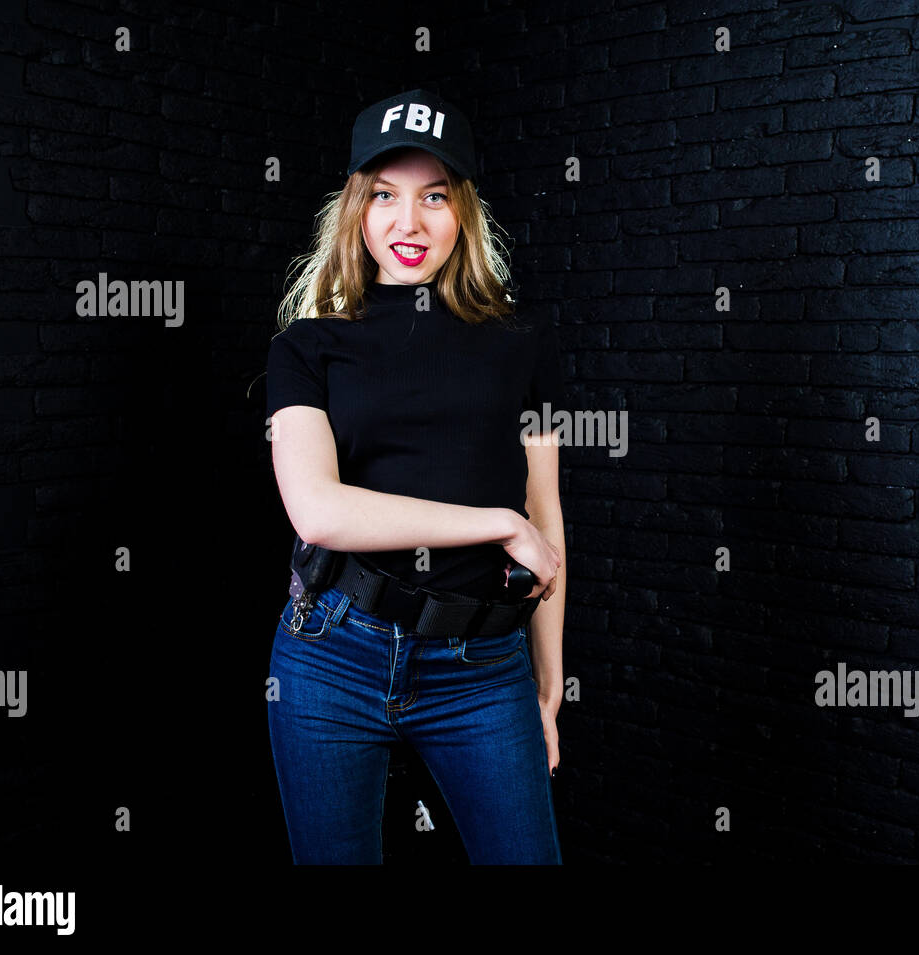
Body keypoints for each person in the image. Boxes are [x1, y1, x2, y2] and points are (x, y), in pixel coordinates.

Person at [263, 89, 566, 864]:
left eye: (434, 196)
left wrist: (548, 683)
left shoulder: (521, 345)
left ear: (463, 211)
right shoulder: (305, 348)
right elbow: (318, 511)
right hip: (332, 652)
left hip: (482, 667)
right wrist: (497, 523)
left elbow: (546, 521)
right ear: (356, 211)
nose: (409, 222)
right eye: (384, 195)